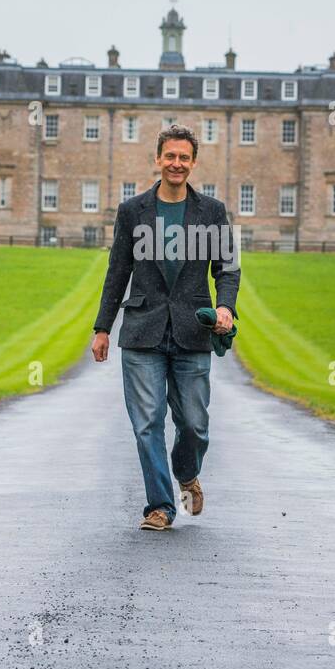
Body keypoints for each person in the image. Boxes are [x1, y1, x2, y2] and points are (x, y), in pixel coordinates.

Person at [91, 124, 241, 530]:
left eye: (184, 157)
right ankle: (160, 506)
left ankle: (186, 472)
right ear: (158, 159)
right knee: (147, 423)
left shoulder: (212, 212)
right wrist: (103, 327)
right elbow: (117, 271)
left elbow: (227, 268)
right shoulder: (132, 211)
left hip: (193, 331)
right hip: (142, 330)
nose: (177, 164)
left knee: (193, 423)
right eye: (170, 156)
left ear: (193, 163)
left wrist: (225, 307)